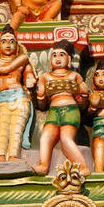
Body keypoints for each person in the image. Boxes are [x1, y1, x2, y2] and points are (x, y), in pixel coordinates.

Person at [0, 29, 36, 166]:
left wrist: (30, 78)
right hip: (3, 97)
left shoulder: (22, 59)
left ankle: (13, 155)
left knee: (16, 129)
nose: (8, 45)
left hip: (18, 96)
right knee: (2, 128)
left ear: (17, 46)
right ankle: (0, 155)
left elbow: (7, 69)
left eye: (12, 41)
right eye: (4, 42)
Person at [33, 42, 89, 175]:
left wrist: (84, 94)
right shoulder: (45, 77)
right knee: (45, 136)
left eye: (62, 55)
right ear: (50, 60)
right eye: (54, 55)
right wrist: (40, 95)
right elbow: (42, 105)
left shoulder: (74, 76)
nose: (57, 58)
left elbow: (82, 103)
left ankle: (83, 167)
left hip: (70, 109)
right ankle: (43, 165)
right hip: (53, 111)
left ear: (69, 59)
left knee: (66, 138)